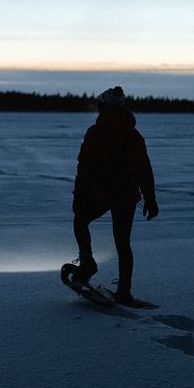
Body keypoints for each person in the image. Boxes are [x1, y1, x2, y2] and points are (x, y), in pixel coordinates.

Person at [71, 86, 158, 304]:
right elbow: (144, 169)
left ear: (105, 107)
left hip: (103, 193)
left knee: (80, 221)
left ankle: (87, 263)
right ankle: (124, 291)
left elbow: (84, 168)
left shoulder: (96, 133)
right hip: (126, 195)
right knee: (122, 243)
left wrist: (79, 197)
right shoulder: (133, 135)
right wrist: (150, 198)